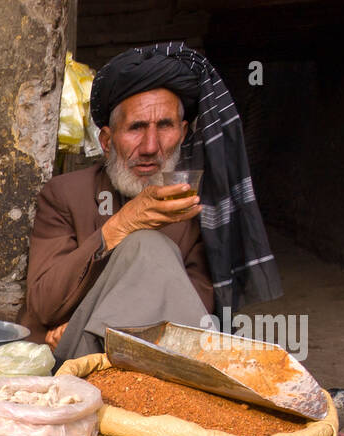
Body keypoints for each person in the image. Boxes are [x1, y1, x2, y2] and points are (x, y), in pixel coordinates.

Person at [20, 43, 281, 363]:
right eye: (136, 128)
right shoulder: (64, 194)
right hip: (75, 360)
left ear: (184, 133)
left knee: (149, 248)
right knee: (144, 242)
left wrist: (84, 319)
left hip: (161, 359)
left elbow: (192, 314)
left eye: (165, 126)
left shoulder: (193, 205)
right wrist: (123, 224)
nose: (150, 146)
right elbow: (44, 305)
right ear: (106, 140)